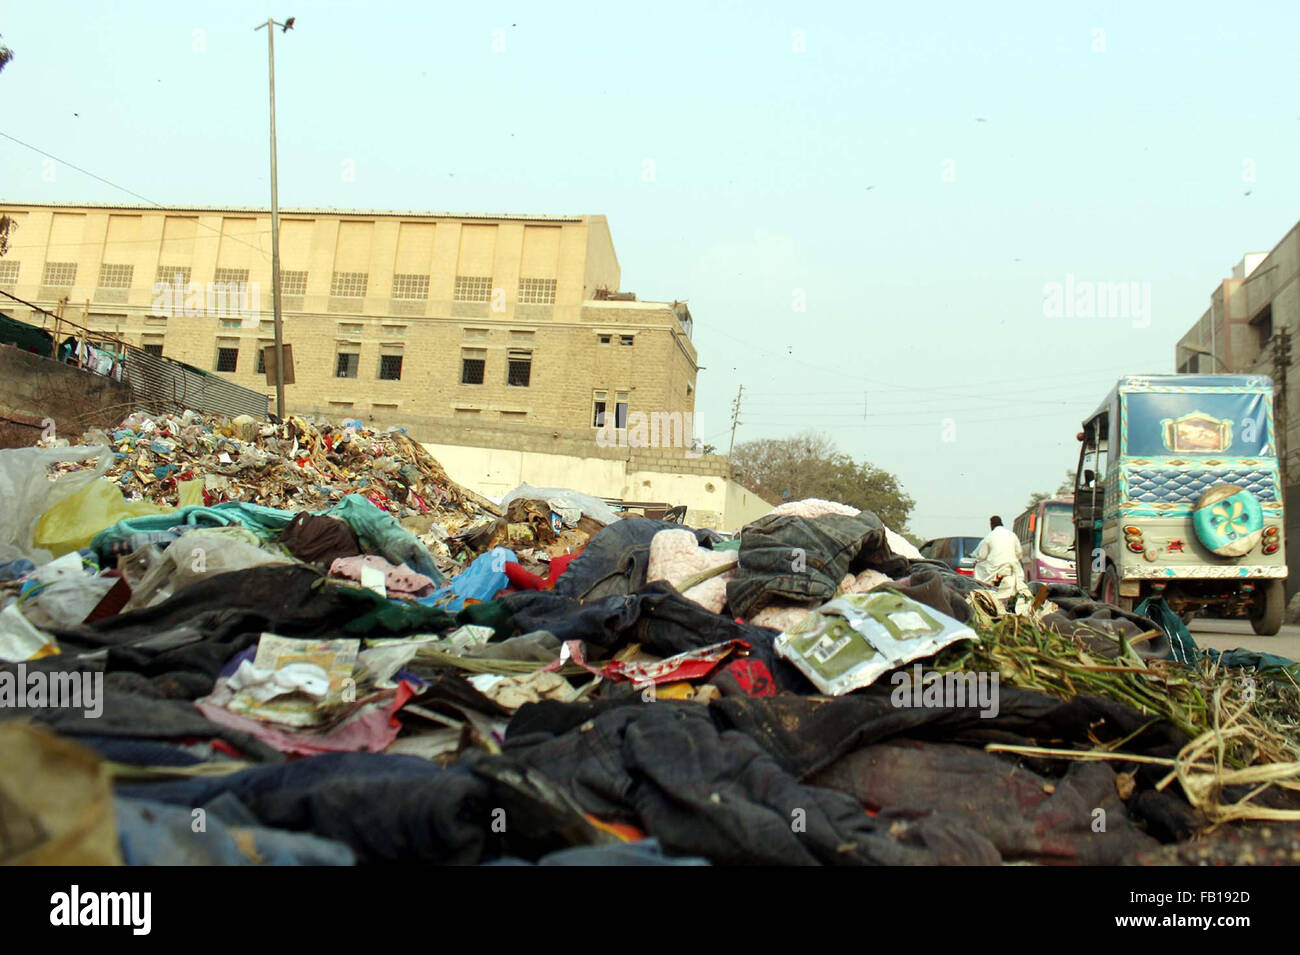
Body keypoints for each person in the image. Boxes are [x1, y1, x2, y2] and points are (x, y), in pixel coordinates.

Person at [972, 516, 1025, 604]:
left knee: (978, 567)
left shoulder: (989, 536)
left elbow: (982, 556)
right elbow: (1019, 552)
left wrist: (977, 562)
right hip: (1011, 566)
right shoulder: (1012, 534)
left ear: (991, 525)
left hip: (994, 567)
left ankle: (982, 589)